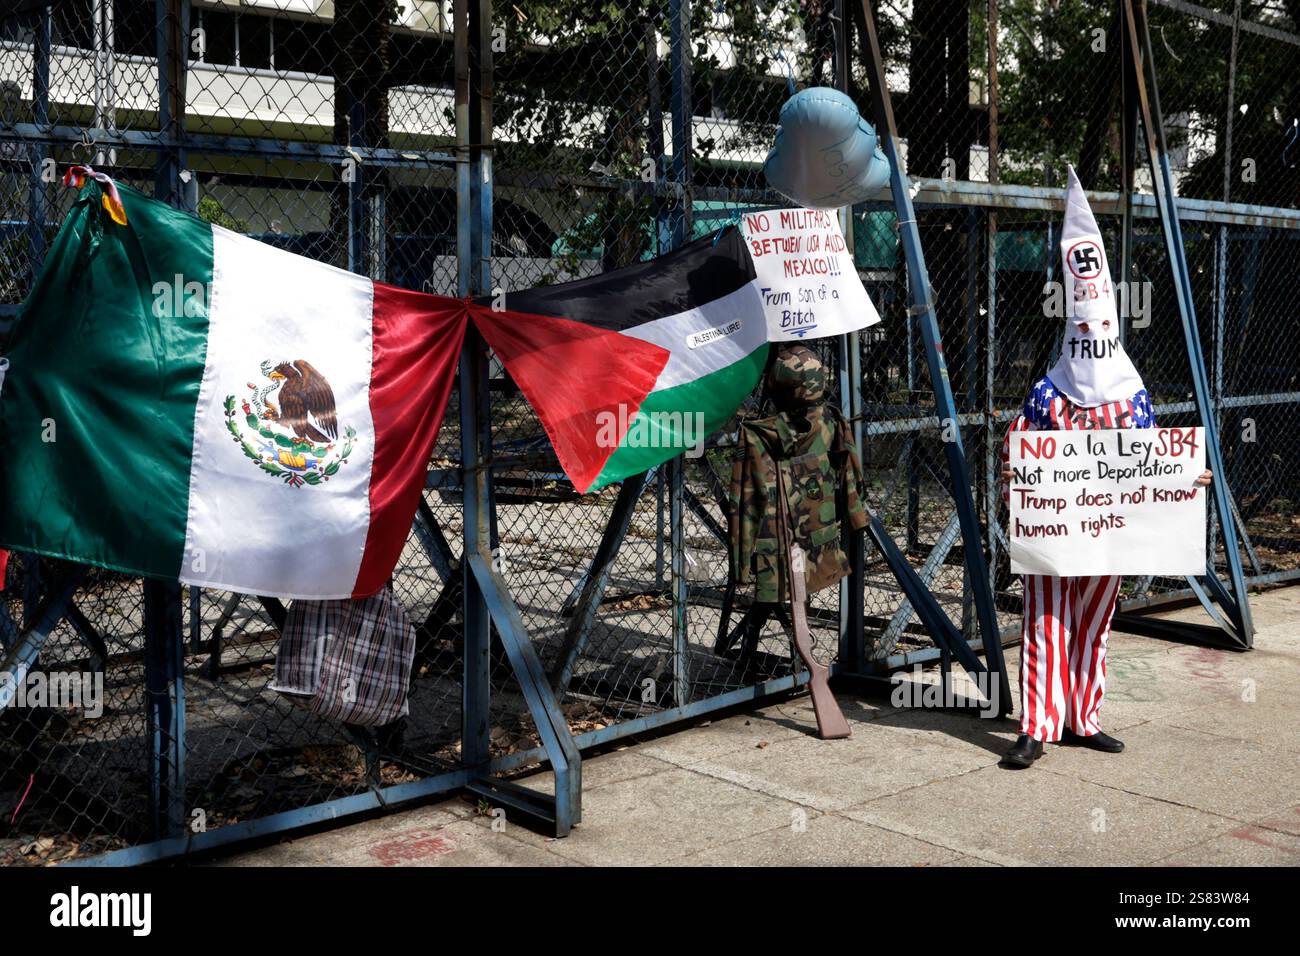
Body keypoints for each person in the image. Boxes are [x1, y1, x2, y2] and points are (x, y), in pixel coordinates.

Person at [998, 166, 1211, 769]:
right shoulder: (1046, 394)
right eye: (1082, 327)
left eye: (1100, 326)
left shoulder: (1132, 397)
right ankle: (1035, 726)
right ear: (1071, 332)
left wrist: (1183, 481)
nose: (1091, 333)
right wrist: (1013, 474)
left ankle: (1082, 719)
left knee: (1093, 622)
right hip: (1054, 533)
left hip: (1108, 532)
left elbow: (1151, 460)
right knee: (1044, 618)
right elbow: (1020, 447)